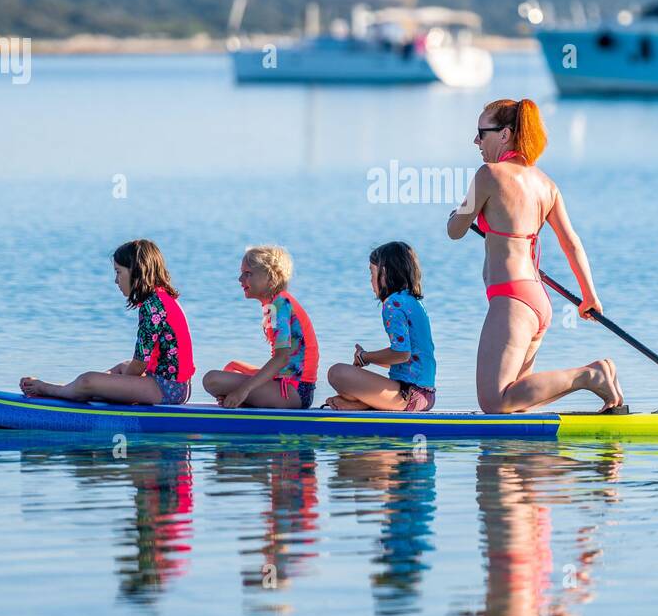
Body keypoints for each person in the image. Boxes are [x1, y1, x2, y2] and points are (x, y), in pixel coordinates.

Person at [446, 98, 623, 413]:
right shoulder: (546, 185)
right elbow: (572, 243)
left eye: (481, 132)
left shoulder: (489, 174)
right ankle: (529, 457)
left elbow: (455, 230)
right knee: (515, 400)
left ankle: (590, 376)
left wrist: (457, 214)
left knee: (494, 402)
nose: (476, 141)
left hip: (511, 300)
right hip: (537, 300)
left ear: (505, 135)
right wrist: (588, 296)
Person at [20, 239, 194, 405]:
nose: (116, 280)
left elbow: (141, 362)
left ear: (136, 271)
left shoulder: (153, 306)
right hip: (172, 385)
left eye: (119, 272)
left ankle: (54, 389)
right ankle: (76, 390)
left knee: (87, 380)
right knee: (120, 368)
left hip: (166, 389)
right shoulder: (160, 298)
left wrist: (114, 388)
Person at [202, 245, 319, 409]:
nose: (240, 279)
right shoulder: (274, 304)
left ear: (270, 277)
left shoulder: (279, 305)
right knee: (232, 366)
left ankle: (244, 399)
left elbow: (282, 358)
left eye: (247, 274)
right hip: (289, 385)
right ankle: (246, 399)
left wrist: (243, 390)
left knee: (212, 380)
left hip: (295, 391)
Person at [326, 241, 437, 412]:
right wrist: (368, 358)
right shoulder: (412, 302)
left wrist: (366, 357)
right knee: (349, 383)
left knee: (337, 373)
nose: (371, 280)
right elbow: (406, 358)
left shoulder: (393, 304)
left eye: (372, 273)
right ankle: (363, 403)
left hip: (408, 394)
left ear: (384, 273)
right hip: (425, 395)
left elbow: (402, 354)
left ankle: (364, 404)